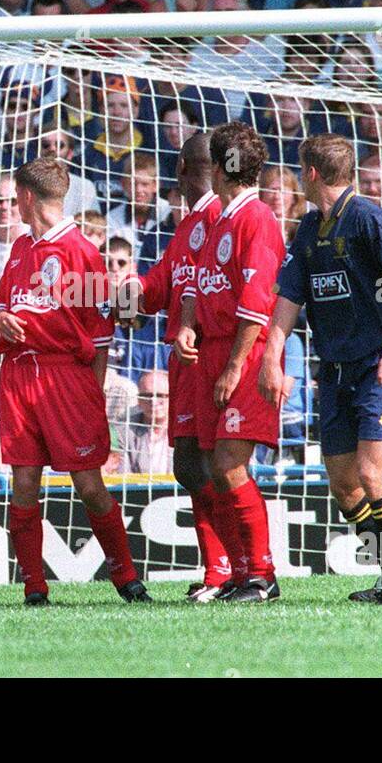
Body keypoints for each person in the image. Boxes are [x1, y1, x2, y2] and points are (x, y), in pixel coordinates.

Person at [261, 133, 382, 606]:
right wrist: (272, 359)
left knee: (375, 475)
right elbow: (289, 298)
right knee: (343, 484)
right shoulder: (309, 228)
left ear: (311, 174)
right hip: (332, 372)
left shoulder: (369, 218)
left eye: (298, 169)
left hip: (378, 367)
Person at [0, 156, 150, 606]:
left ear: (26, 197)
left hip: (66, 379)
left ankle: (126, 576)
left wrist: (91, 393)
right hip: (19, 374)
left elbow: (101, 333)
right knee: (23, 482)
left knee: (89, 483)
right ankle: (34, 587)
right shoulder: (21, 247)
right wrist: (0, 315)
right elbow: (2, 300)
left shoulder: (80, 251)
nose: (12, 206)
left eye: (13, 197)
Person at [119, 132, 236, 601]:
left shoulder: (222, 218)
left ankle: (233, 567)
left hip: (210, 357)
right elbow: (164, 284)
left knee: (213, 464)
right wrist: (128, 291)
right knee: (189, 464)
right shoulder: (190, 225)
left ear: (184, 167)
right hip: (183, 361)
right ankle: (220, 568)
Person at [175, 121, 284, 603]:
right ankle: (240, 574)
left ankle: (262, 574)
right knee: (214, 469)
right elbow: (199, 282)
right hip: (211, 349)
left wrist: (236, 366)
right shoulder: (219, 219)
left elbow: (257, 303)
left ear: (218, 168)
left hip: (244, 352)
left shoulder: (257, 219)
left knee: (229, 465)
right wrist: (187, 323)